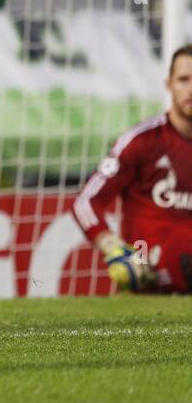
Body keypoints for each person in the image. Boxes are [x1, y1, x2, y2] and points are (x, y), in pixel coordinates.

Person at [72, 46, 192, 294]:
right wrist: (111, 246)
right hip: (149, 278)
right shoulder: (143, 140)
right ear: (168, 84)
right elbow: (86, 202)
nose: (191, 88)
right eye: (184, 80)